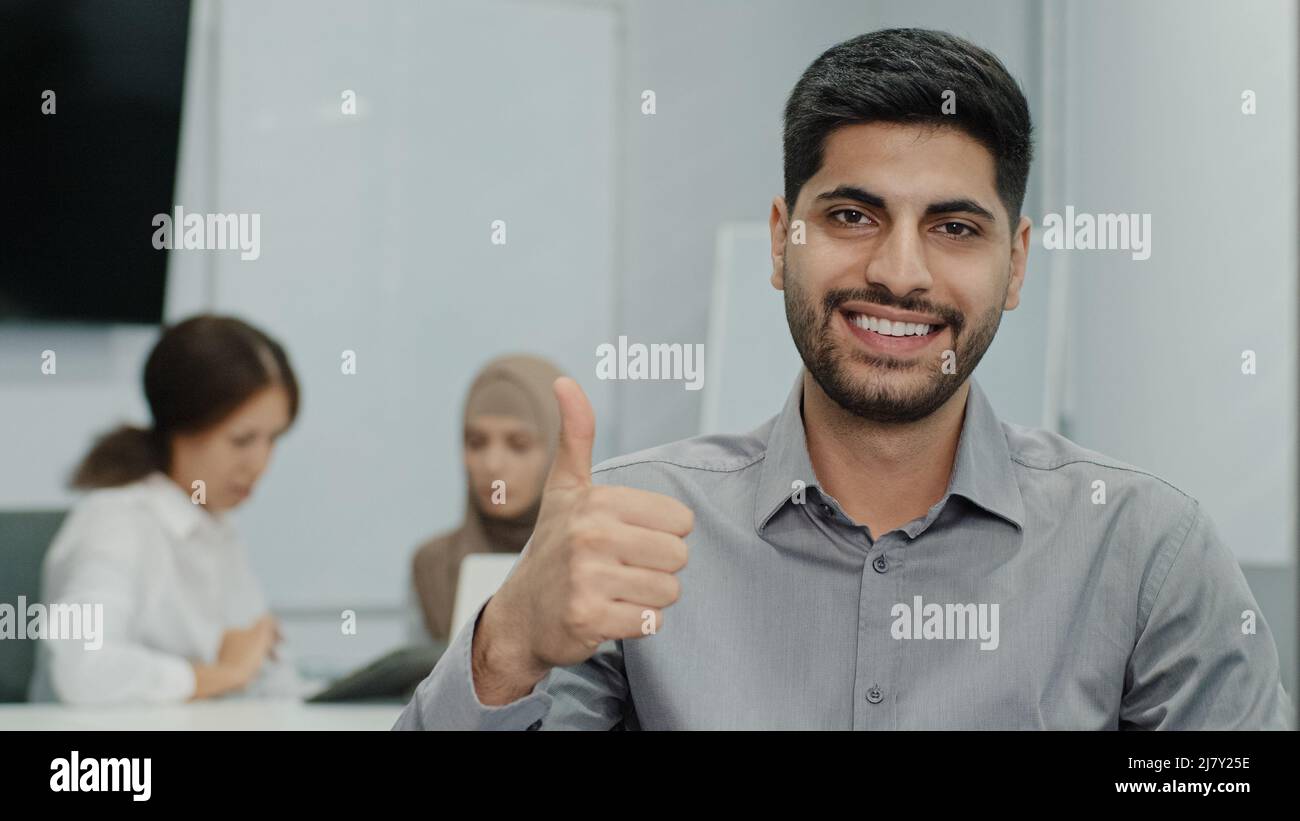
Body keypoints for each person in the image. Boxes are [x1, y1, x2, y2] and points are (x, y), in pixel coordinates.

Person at [393, 28, 1293, 730]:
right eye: (854, 215)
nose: (900, 272)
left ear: (1016, 266)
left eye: (955, 227)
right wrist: (506, 642)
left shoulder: (1144, 553)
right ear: (784, 240)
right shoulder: (630, 538)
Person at [28, 314, 308, 704]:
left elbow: (262, 671)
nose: (259, 464)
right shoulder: (114, 521)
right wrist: (224, 674)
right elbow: (82, 670)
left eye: (272, 439)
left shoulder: (215, 527)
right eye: (242, 440)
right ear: (181, 426)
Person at [408, 355, 564, 645]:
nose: (492, 465)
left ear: (558, 449)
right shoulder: (434, 566)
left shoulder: (592, 558)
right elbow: (421, 686)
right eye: (476, 443)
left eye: (518, 445)